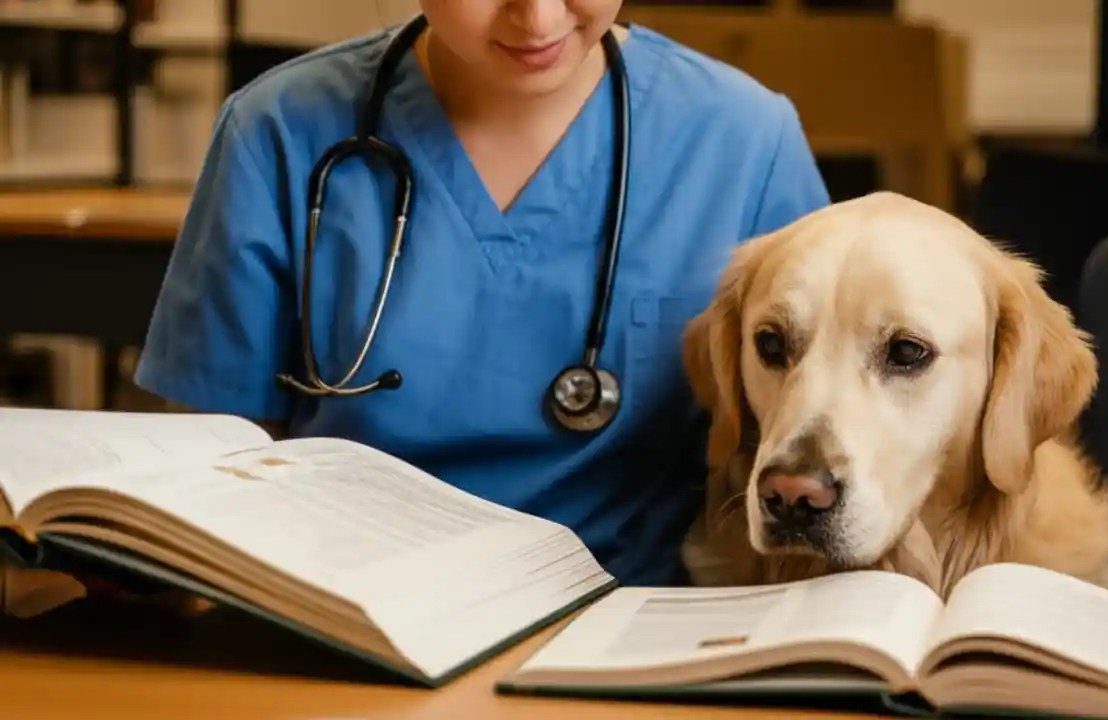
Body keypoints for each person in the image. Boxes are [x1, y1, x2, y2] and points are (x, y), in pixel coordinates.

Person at [133, 0, 830, 587]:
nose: (538, 17)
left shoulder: (743, 140)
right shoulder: (277, 132)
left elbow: (821, 429)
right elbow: (214, 463)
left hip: (636, 623)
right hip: (347, 613)